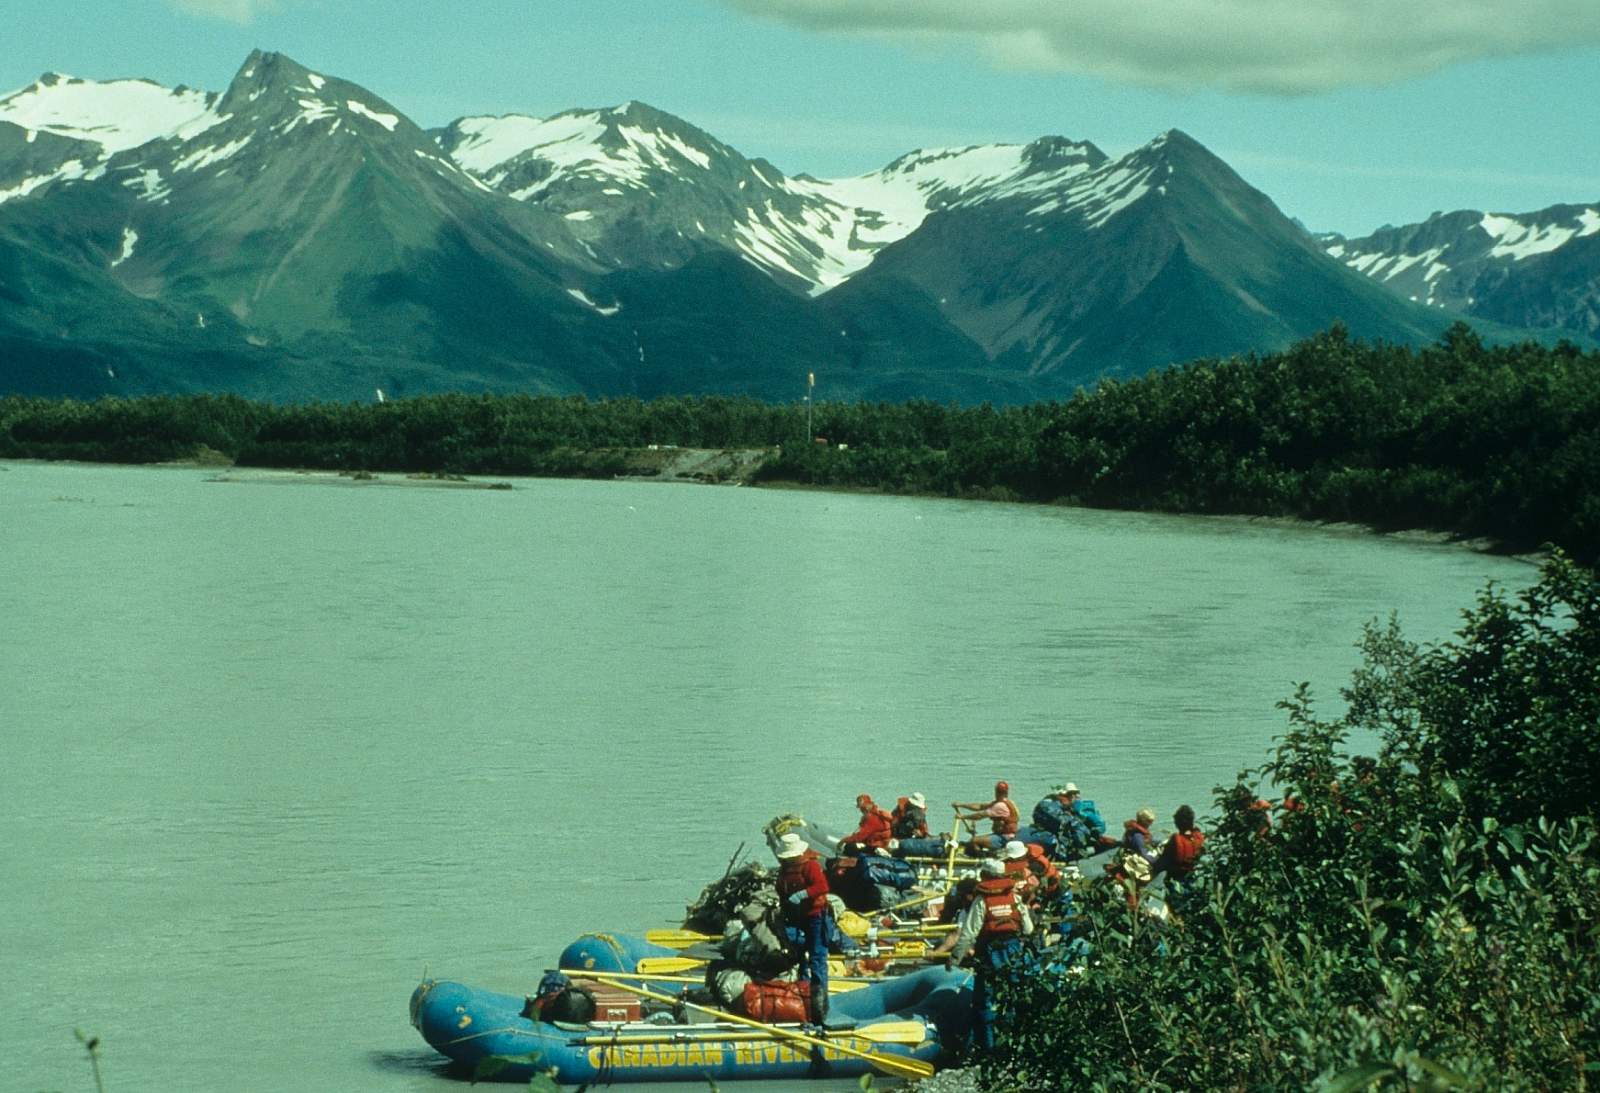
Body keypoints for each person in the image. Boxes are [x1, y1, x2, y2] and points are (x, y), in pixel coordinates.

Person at [943, 857, 1034, 1053]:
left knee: (984, 1001)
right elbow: (1028, 928)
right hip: (1014, 952)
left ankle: (988, 1048)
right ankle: (1014, 1045)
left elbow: (969, 933)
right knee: (1012, 996)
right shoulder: (1014, 898)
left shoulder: (981, 900)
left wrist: (954, 958)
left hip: (991, 954)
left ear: (984, 876)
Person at [774, 832, 832, 1025]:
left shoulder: (810, 865)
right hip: (797, 917)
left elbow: (822, 886)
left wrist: (802, 894)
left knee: (817, 958)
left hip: (815, 916)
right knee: (798, 956)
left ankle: (821, 1006)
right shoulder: (785, 870)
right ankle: (803, 997)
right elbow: (781, 892)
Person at [1148, 805, 1206, 916]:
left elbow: (1163, 862)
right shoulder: (1198, 837)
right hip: (1194, 877)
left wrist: (1152, 868)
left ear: (1178, 823)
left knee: (1178, 910)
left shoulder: (1176, 840)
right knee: (1193, 908)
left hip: (1176, 881)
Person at [1109, 807, 1158, 909]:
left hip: (1130, 859)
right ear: (1143, 821)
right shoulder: (1137, 836)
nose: (1151, 824)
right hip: (1133, 864)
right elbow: (1142, 852)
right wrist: (1156, 861)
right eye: (1149, 821)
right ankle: (1135, 907)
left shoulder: (1135, 831)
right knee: (1136, 888)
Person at [954, 780, 1020, 852]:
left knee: (974, 841)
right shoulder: (1007, 802)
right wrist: (961, 805)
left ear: (996, 792)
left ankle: (980, 858)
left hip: (1005, 838)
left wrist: (962, 817)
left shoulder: (1000, 806)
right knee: (976, 840)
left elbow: (980, 815)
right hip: (1002, 835)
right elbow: (980, 806)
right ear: (1007, 792)